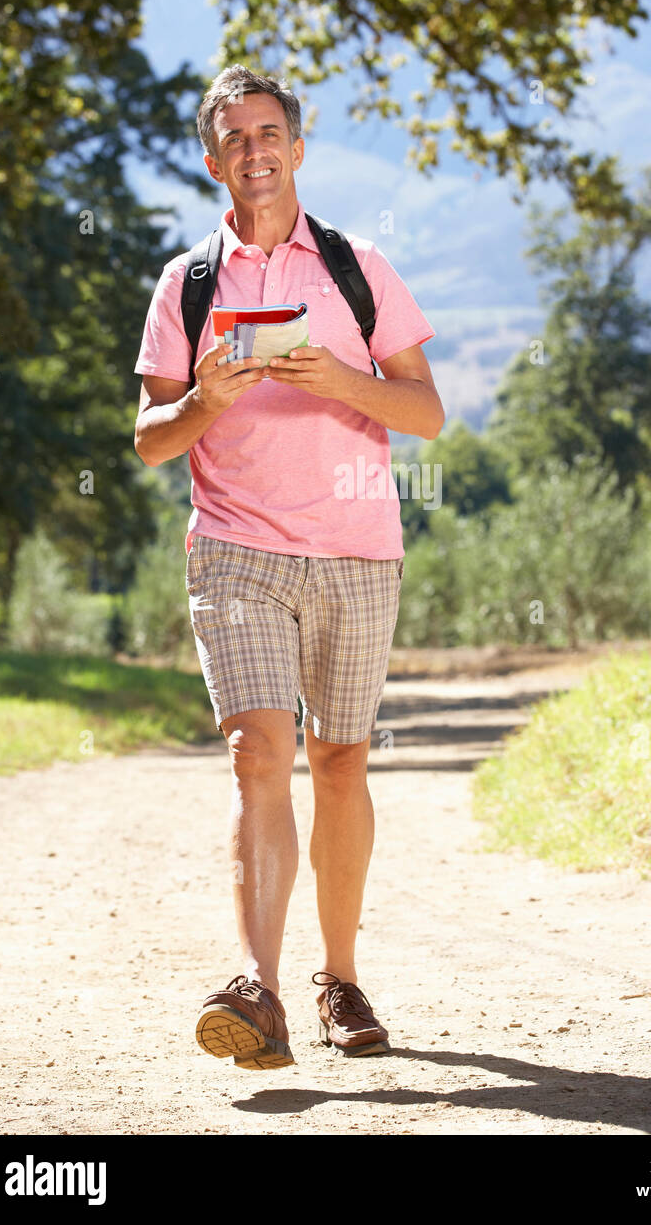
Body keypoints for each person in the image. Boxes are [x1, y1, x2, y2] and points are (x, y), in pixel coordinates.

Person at [133, 64, 443, 1068]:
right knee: (259, 752)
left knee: (340, 760)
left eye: (270, 133)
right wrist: (205, 403)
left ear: (296, 148)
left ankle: (336, 978)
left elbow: (425, 412)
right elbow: (148, 437)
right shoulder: (187, 283)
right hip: (234, 549)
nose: (254, 151)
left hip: (355, 552)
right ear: (212, 158)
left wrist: (338, 377)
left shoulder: (360, 269)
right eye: (235, 138)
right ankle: (257, 990)